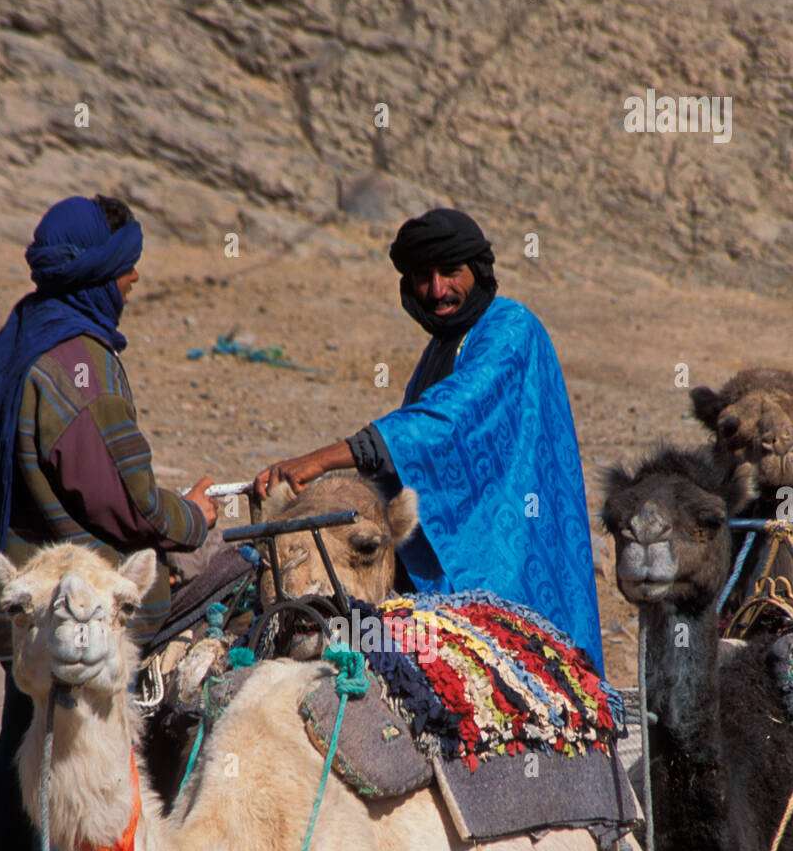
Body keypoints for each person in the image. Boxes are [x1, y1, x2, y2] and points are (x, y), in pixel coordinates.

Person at [0, 193, 217, 851]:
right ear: (103, 274)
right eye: (128, 269)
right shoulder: (81, 361)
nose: (136, 278)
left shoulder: (13, 340)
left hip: (21, 598)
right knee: (78, 758)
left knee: (23, 753)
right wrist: (195, 515)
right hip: (76, 609)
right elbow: (129, 503)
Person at [254, 207, 604, 672]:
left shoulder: (511, 329)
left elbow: (442, 425)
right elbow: (412, 458)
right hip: (469, 542)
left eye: (450, 272)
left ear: (477, 271)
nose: (437, 290)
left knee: (507, 670)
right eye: (423, 276)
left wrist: (322, 461)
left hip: (515, 548)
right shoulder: (443, 345)